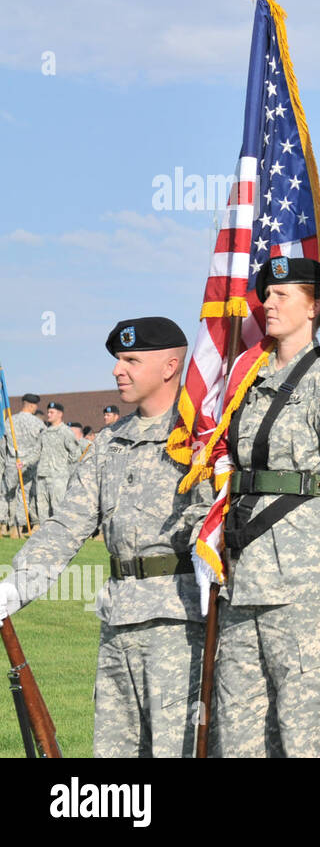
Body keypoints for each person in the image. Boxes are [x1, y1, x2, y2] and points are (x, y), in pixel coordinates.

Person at [0, 318, 209, 756]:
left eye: (131, 360)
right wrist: (17, 586)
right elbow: (68, 523)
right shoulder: (111, 440)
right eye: (117, 360)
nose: (118, 370)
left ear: (170, 366)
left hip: (179, 624)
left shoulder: (199, 438)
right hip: (117, 621)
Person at [211, 255, 320, 758]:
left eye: (282, 295)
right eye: (266, 294)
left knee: (303, 729)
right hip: (243, 576)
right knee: (237, 730)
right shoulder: (246, 377)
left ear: (314, 307)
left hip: (303, 584)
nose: (268, 303)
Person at [35, 401, 81, 521]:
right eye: (48, 412)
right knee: (42, 511)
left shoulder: (66, 432)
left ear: (60, 414)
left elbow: (76, 454)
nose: (48, 414)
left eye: (52, 412)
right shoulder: (44, 433)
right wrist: (23, 462)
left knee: (58, 510)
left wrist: (64, 468)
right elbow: (36, 453)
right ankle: (44, 532)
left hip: (58, 478)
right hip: (42, 476)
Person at [2, 394, 42, 534]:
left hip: (12, 461)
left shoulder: (10, 421)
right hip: (28, 463)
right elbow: (41, 445)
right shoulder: (38, 423)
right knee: (23, 495)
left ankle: (3, 524)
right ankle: (18, 527)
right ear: (31, 405)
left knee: (7, 494)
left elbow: (3, 443)